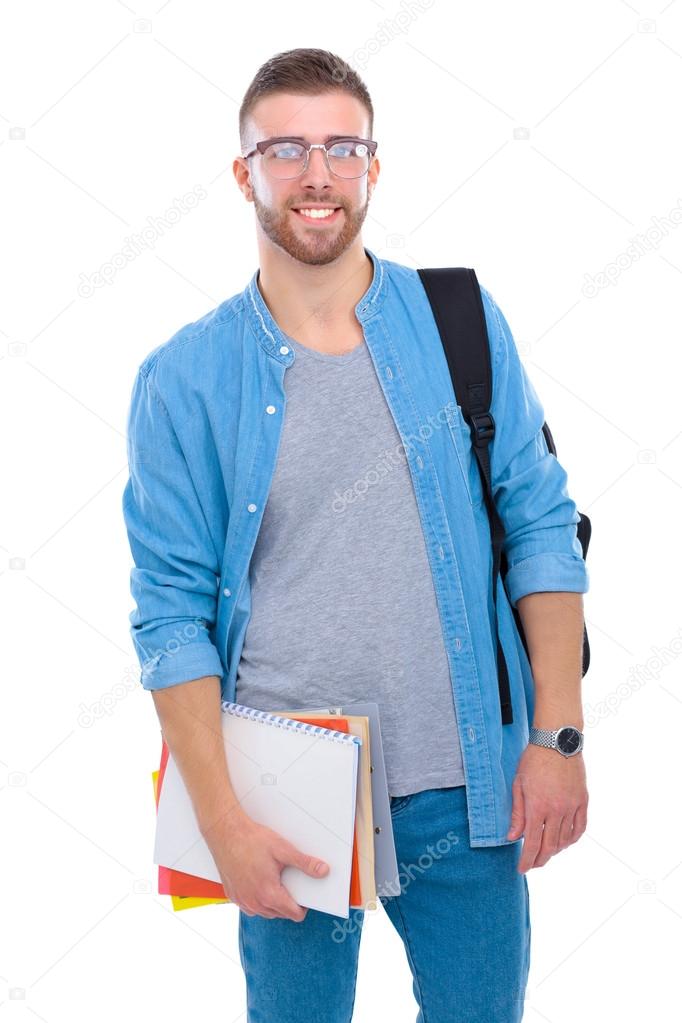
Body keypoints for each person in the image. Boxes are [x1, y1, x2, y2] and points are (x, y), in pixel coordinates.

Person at [122, 46, 590, 1023]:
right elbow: (169, 614)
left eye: (342, 145)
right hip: (283, 789)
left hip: (466, 780)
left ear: (373, 166)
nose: (317, 173)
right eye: (285, 148)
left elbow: (540, 523)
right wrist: (220, 817)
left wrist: (557, 737)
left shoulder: (457, 318)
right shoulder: (185, 378)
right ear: (243, 173)